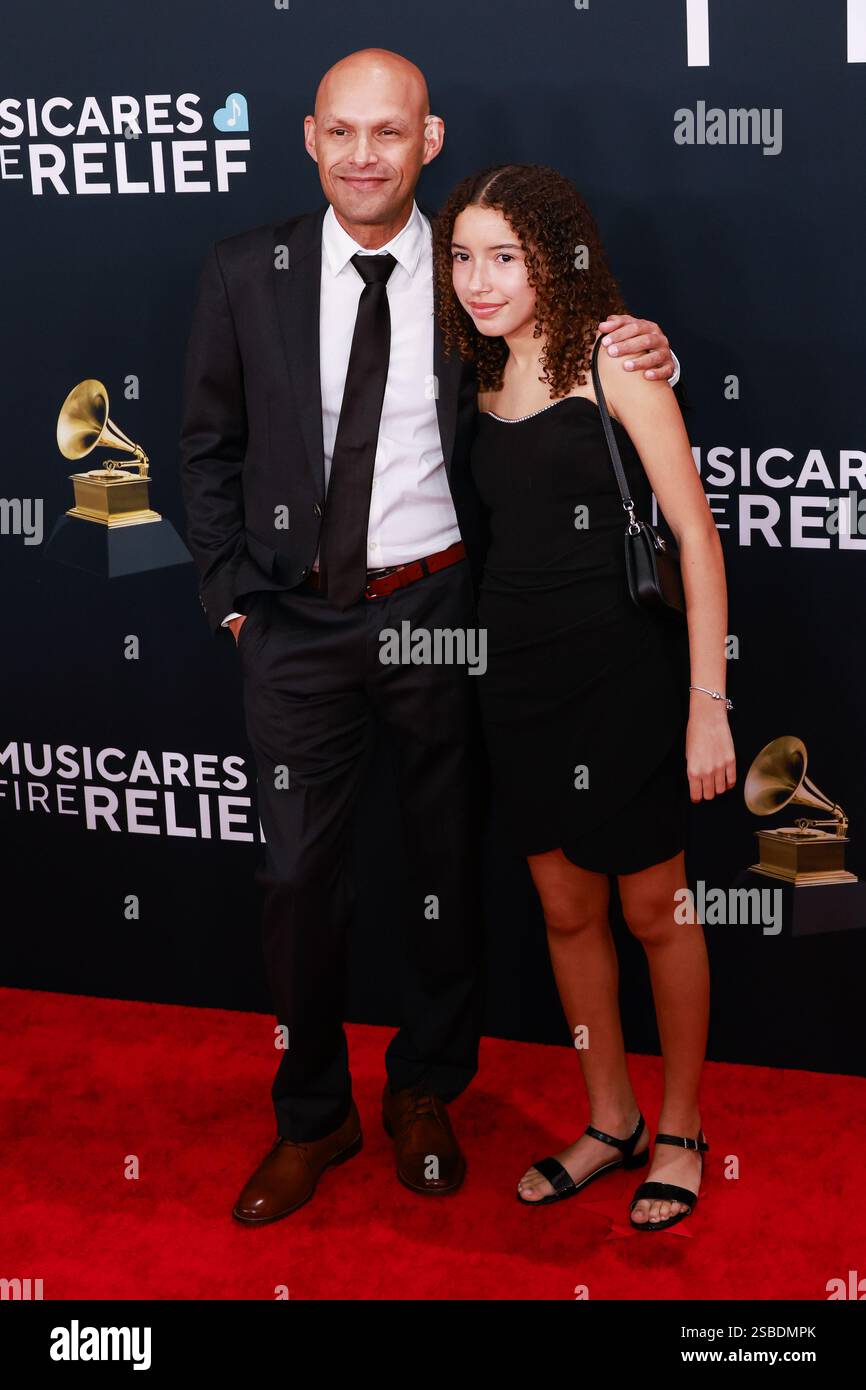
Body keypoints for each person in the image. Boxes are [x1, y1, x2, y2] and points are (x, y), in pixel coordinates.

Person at [179, 49, 681, 1226]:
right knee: (295, 878)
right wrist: (235, 600)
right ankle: (312, 1115)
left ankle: (424, 1091)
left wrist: (649, 348)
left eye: (389, 132)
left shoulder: (471, 277)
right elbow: (203, 447)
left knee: (443, 867)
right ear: (309, 138)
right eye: (342, 131)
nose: (363, 155)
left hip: (441, 613)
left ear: (429, 140)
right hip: (293, 621)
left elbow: (572, 360)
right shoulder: (245, 270)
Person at [435, 163, 735, 1231]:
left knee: (656, 911)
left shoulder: (617, 361)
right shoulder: (470, 370)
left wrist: (708, 702)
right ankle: (610, 1120)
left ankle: (681, 1130)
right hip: (515, 681)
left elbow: (695, 538)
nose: (478, 280)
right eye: (461, 256)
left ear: (556, 261)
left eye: (504, 257)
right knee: (566, 912)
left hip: (623, 677)